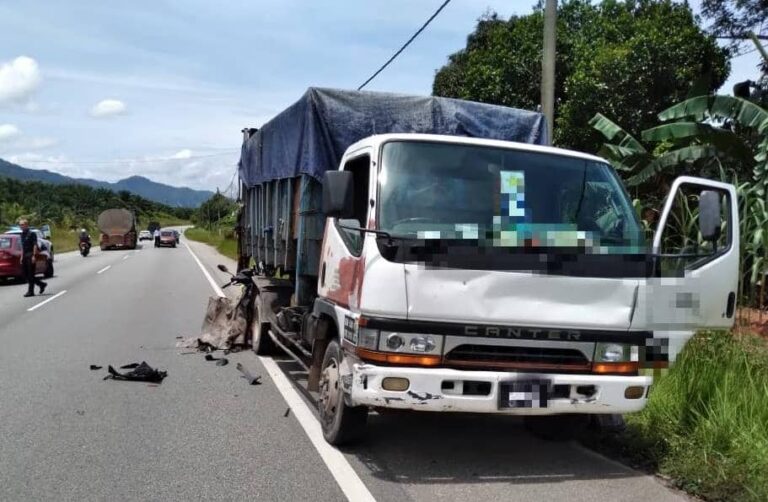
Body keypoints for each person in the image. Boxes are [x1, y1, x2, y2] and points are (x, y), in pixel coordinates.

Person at [18, 218, 47, 297]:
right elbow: (23, 246)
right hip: (25, 255)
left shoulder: (32, 234)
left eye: (22, 225)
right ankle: (41, 284)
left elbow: (35, 245)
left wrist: (34, 256)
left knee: (31, 274)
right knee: (25, 274)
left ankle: (31, 291)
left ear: (26, 225)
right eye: (20, 225)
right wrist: (21, 256)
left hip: (30, 254)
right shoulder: (22, 234)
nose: (21, 226)